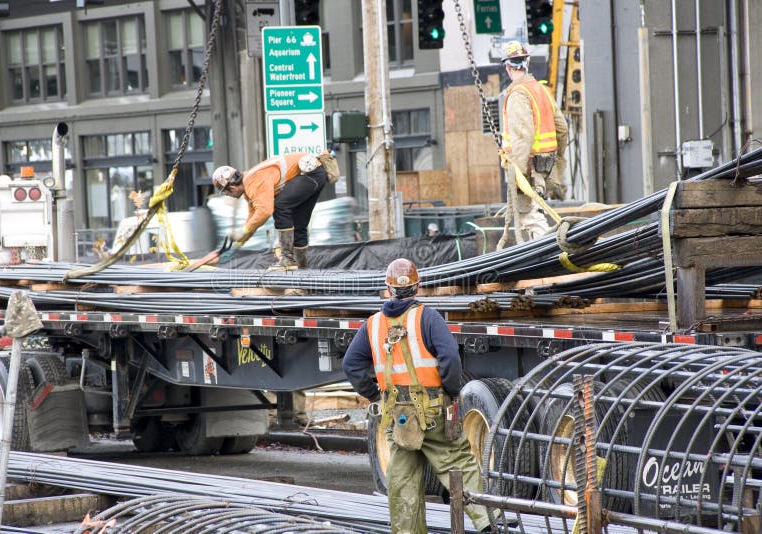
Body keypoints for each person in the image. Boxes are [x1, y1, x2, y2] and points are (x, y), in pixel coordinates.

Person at [342, 258, 493, 534]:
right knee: (457, 461)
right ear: (417, 287)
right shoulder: (428, 318)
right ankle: (487, 522)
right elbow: (450, 358)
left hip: (398, 417)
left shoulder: (372, 325)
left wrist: (375, 396)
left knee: (403, 479)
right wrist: (451, 391)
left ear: (388, 289)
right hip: (433, 411)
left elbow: (351, 365)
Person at [499, 40, 568, 246]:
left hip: (528, 167)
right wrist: (558, 161)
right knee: (535, 210)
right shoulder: (541, 90)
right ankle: (547, 249)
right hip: (545, 165)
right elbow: (562, 128)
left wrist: (517, 175)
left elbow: (523, 136)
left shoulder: (517, 95)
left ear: (508, 67)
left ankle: (549, 251)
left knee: (528, 214)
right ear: (527, 62)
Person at [210, 152, 328, 270]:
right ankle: (301, 266)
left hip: (311, 173)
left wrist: (243, 230)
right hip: (314, 175)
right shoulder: (249, 188)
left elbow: (265, 211)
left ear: (232, 187)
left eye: (226, 193)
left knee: (280, 206)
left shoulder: (253, 181)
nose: (228, 196)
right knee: (299, 223)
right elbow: (253, 220)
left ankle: (287, 260)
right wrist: (237, 245)